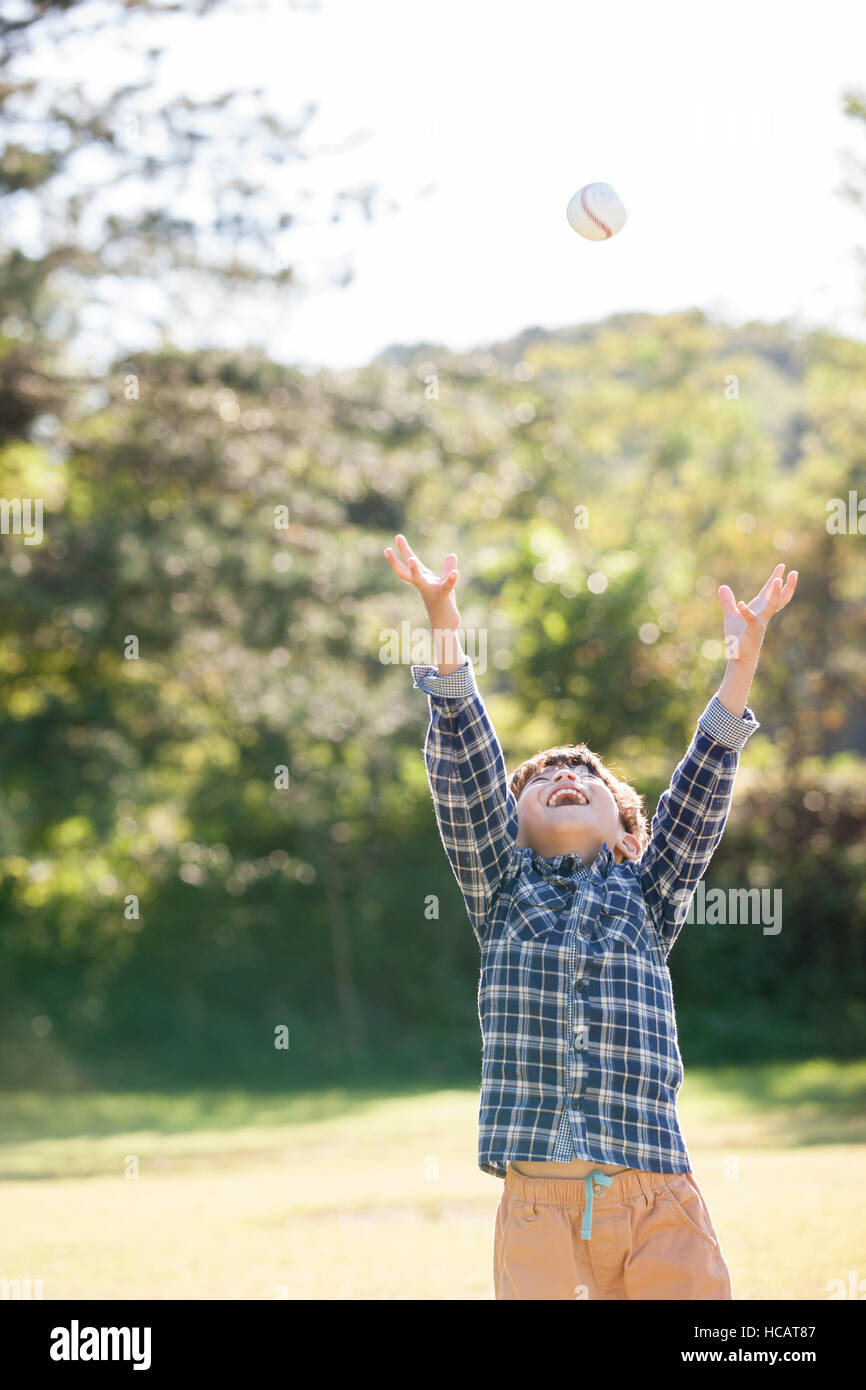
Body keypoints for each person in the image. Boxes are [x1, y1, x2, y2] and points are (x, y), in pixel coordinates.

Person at [385, 533, 797, 1300]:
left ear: (630, 835)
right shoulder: (501, 888)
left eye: (587, 775)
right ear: (507, 825)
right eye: (544, 777)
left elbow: (702, 789)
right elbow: (467, 767)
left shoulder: (649, 893)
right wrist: (444, 622)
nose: (567, 774)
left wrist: (743, 661)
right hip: (539, 1210)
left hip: (660, 1200)